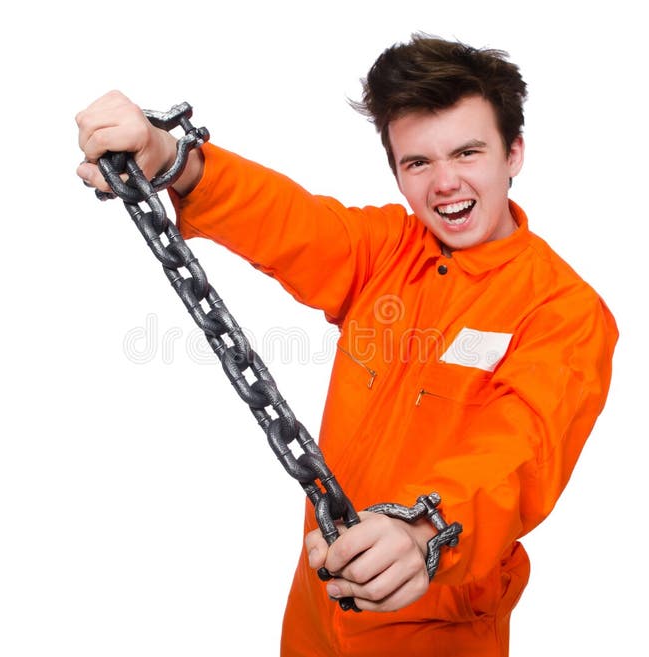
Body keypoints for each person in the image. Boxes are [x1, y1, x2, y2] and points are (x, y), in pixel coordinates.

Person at [76, 34, 618, 657]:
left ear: (513, 152)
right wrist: (172, 158)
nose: (445, 184)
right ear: (396, 170)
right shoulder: (386, 252)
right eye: (418, 163)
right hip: (317, 612)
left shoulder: (563, 311)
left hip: (435, 627)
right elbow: (292, 223)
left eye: (467, 152)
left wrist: (424, 529)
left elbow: (523, 450)